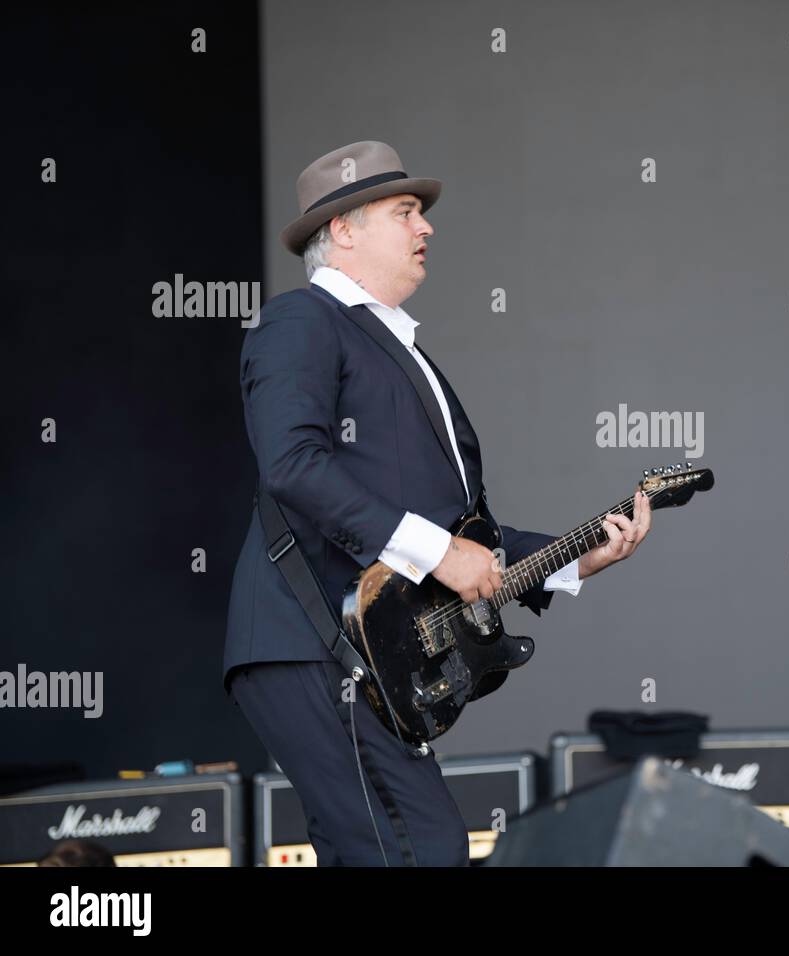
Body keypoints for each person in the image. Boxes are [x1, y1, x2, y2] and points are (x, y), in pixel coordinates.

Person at [224, 141, 651, 866]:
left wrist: (576, 559)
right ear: (345, 231)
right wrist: (440, 553)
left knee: (376, 847)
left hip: (361, 648)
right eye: (405, 212)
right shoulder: (301, 321)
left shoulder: (399, 349)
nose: (426, 229)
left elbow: (464, 536)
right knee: (417, 845)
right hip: (313, 637)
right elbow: (293, 464)